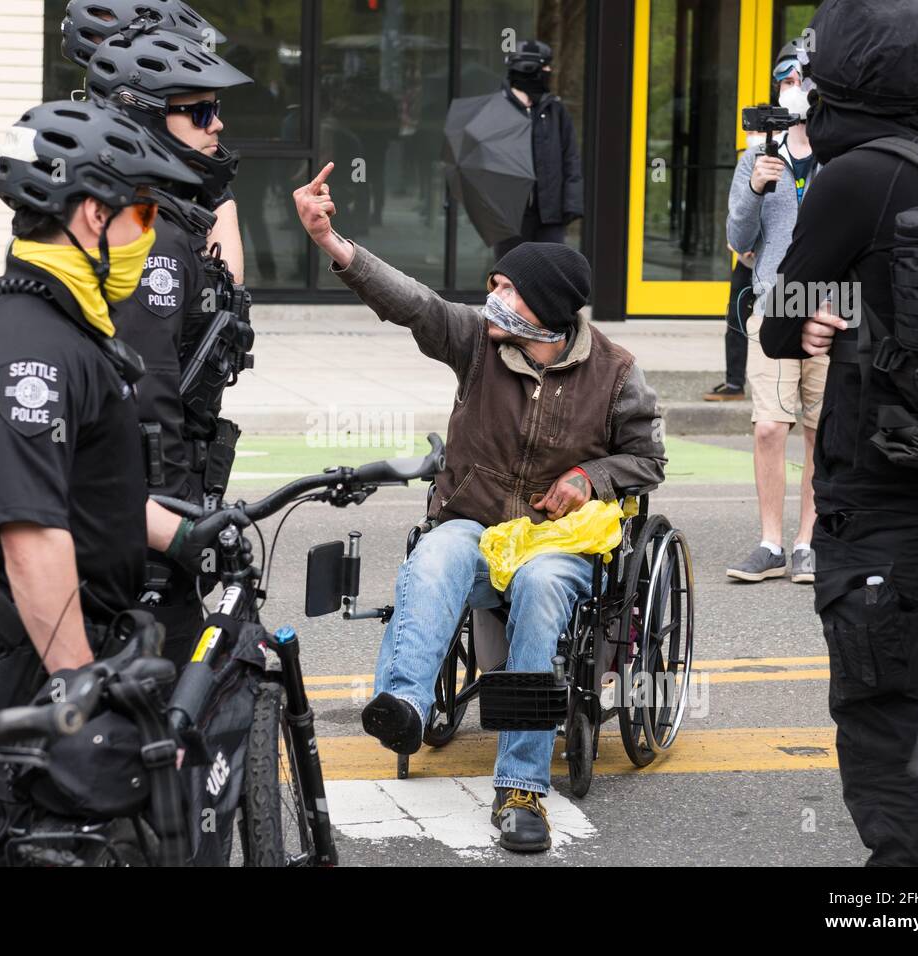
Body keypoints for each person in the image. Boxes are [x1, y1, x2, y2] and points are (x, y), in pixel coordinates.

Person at [293, 163, 665, 853]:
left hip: (554, 543)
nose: (489, 296)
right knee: (435, 554)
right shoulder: (476, 342)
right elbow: (413, 302)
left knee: (542, 585)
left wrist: (589, 475)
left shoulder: (614, 373)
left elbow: (649, 459)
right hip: (473, 519)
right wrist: (333, 245)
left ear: (545, 308)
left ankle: (523, 786)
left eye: (504, 287)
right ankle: (402, 702)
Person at [0, 99, 232, 866]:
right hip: (28, 671)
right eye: (140, 212)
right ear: (93, 216)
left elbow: (78, 491)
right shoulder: (33, 352)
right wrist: (82, 694)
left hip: (46, 654)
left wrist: (184, 533)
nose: (149, 235)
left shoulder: (44, 320)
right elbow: (32, 536)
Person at [760, 0, 918, 866]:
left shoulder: (855, 176)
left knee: (881, 717)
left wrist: (821, 312)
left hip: (878, 500)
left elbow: (779, 325)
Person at [80, 15, 255, 665]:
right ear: (149, 123)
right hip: (144, 532)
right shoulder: (150, 234)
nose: (217, 125)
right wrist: (180, 532)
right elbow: (147, 398)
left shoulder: (166, 212)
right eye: (201, 112)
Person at [725, 42, 824, 585]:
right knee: (769, 426)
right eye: (787, 77)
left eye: (804, 77)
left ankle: (808, 541)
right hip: (775, 302)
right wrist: (757, 189)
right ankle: (770, 542)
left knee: (819, 427)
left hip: (835, 303)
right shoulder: (757, 156)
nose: (795, 85)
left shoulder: (842, 154)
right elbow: (738, 237)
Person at [60, 0, 245, 281]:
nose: (216, 124)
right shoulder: (139, 220)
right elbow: (227, 284)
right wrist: (219, 194)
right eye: (201, 112)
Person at [492, 40, 583, 261]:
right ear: (528, 69)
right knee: (510, 274)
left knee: (549, 273)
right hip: (510, 215)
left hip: (550, 214)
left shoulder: (555, 110)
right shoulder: (497, 109)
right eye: (545, 68)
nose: (549, 73)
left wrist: (570, 205)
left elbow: (570, 158)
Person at [704, 252, 756, 401]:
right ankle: (734, 384)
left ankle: (793, 383)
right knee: (735, 321)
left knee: (781, 323)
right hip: (747, 263)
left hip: (779, 264)